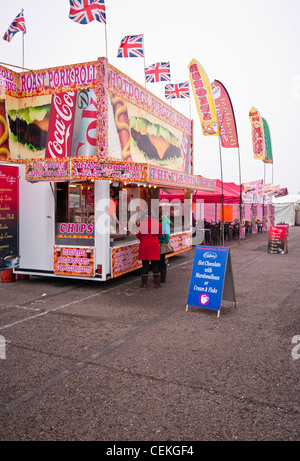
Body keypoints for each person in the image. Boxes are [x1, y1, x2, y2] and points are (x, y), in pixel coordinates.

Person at [136, 210, 162, 288]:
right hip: (154, 245)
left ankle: (144, 284)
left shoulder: (141, 224)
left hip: (144, 245)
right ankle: (157, 283)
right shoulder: (158, 224)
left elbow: (137, 235)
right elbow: (160, 234)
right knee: (155, 264)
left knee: (145, 264)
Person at [158, 208, 172, 283]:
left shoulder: (165, 222)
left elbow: (166, 235)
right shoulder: (161, 221)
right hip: (159, 243)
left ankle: (163, 278)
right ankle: (160, 277)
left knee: (161, 260)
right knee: (159, 260)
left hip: (163, 243)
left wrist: (157, 235)